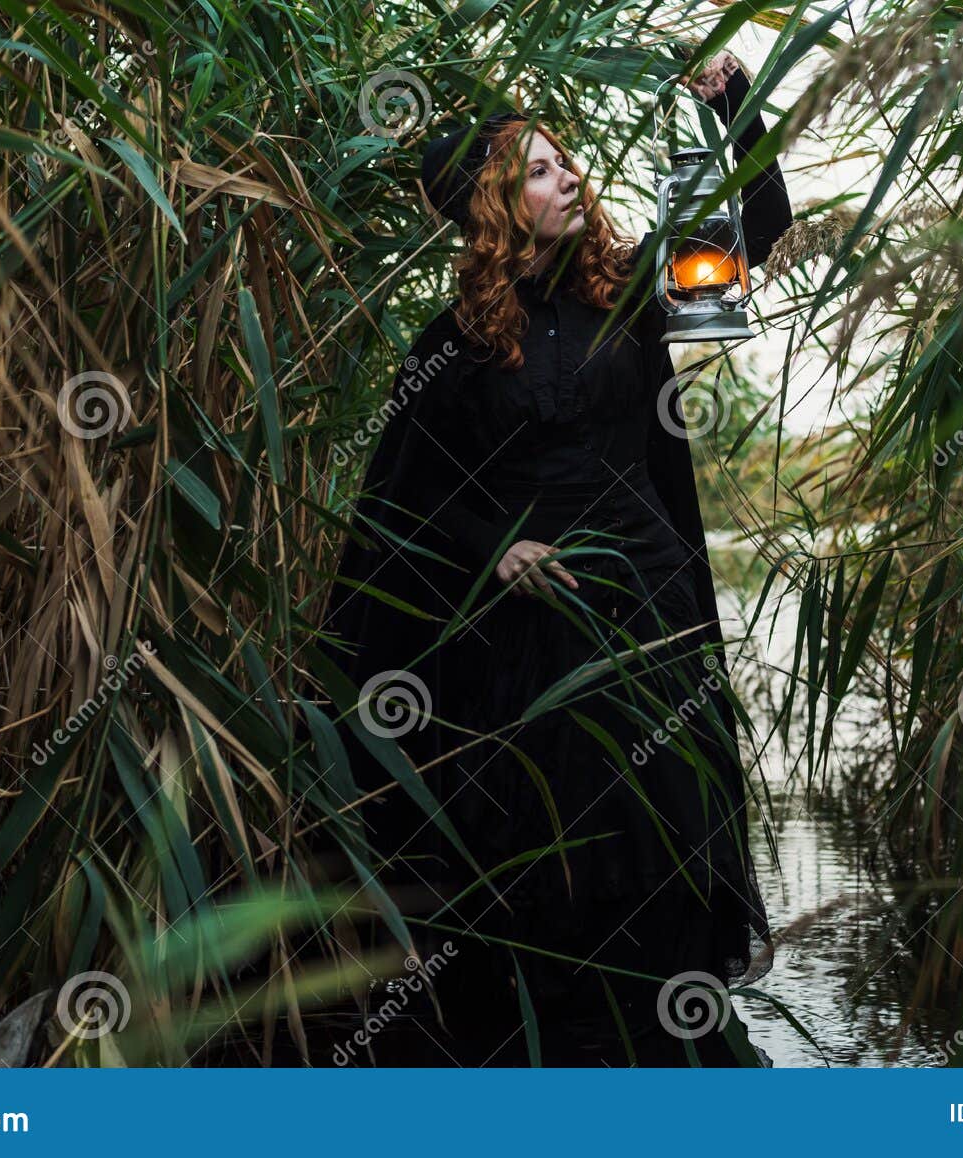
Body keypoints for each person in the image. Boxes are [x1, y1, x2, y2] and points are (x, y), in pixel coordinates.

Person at [314, 49, 792, 1066]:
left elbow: (761, 224)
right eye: (538, 170)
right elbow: (404, 498)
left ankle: (670, 1056)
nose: (570, 177)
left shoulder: (632, 297)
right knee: (554, 869)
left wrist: (733, 105)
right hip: (534, 647)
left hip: (650, 618)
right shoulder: (450, 346)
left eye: (566, 162)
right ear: (490, 207)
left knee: (664, 847)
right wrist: (496, 548)